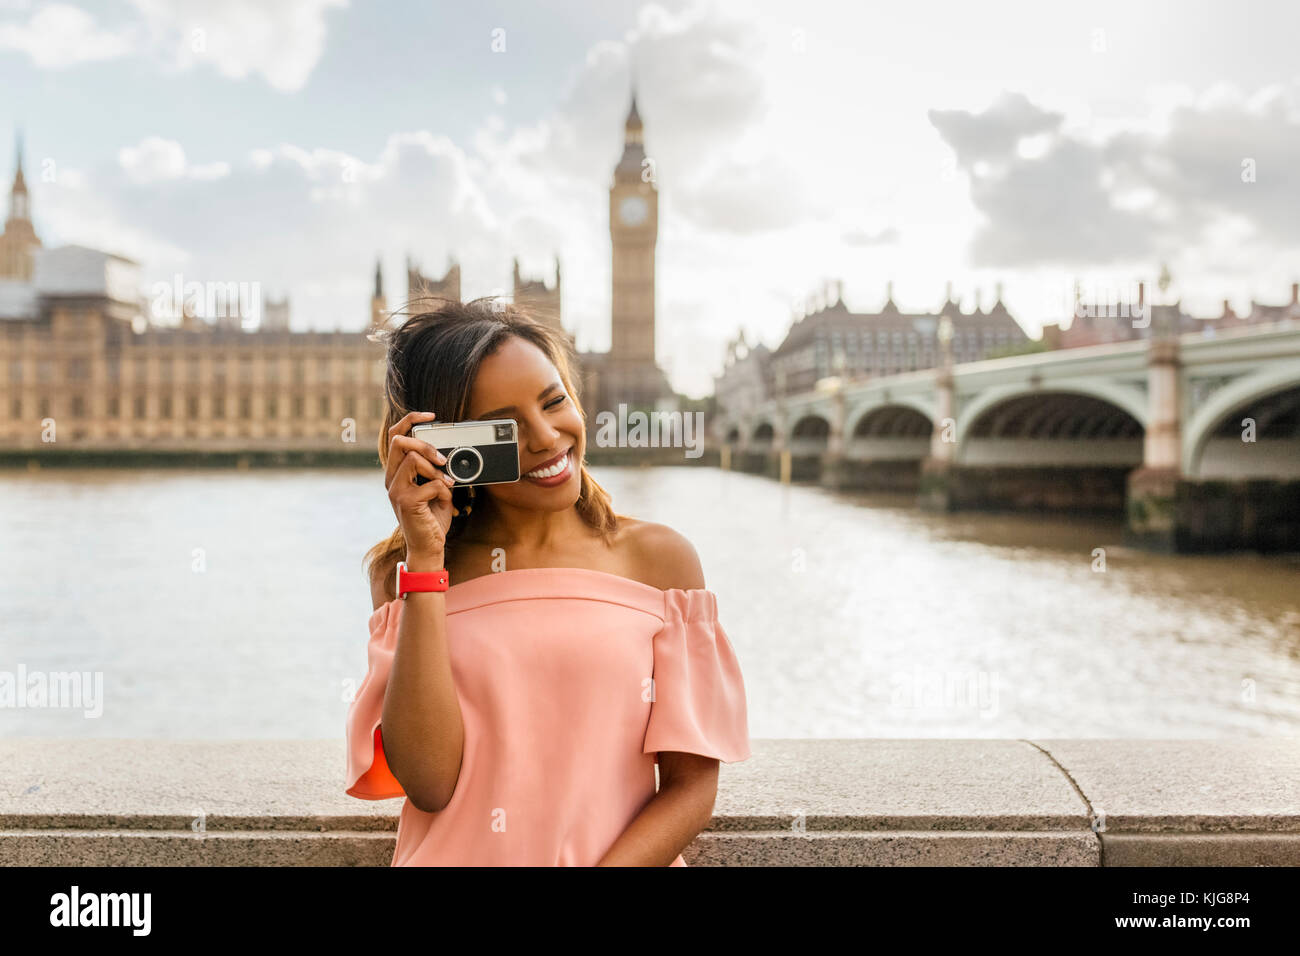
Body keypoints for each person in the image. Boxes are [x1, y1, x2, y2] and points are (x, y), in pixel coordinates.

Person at [346, 297, 751, 866]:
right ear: (446, 445)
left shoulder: (661, 563)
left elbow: (690, 789)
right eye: (503, 427)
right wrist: (426, 560)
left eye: (553, 400)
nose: (545, 437)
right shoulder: (406, 574)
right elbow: (430, 783)